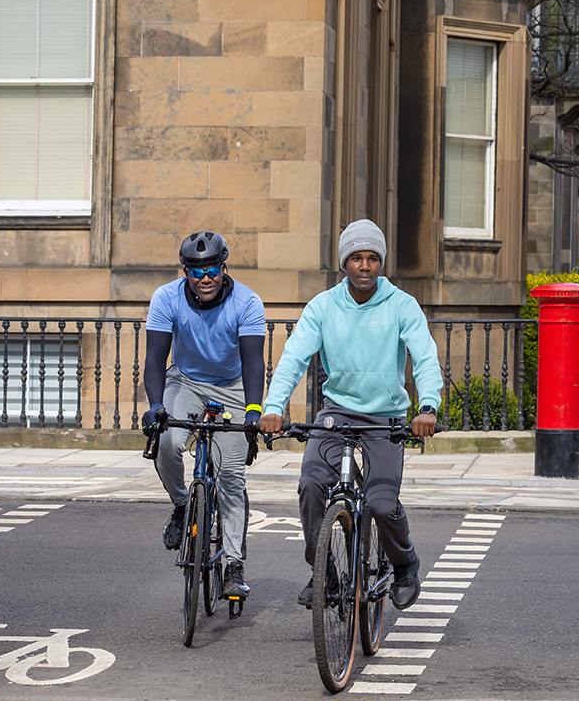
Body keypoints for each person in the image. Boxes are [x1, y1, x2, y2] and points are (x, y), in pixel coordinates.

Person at [258, 220, 442, 612]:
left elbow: (424, 357)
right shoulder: (323, 306)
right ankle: (323, 570)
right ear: (345, 262)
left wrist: (427, 407)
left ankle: (405, 563)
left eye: (372, 258)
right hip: (336, 412)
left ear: (381, 262)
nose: (364, 266)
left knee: (379, 504)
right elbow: (293, 359)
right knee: (310, 484)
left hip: (386, 415)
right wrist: (273, 408)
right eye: (356, 258)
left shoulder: (401, 305)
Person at [141, 231, 266, 599]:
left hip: (233, 386)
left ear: (223, 268)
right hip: (186, 380)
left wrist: (254, 411)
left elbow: (254, 361)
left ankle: (234, 565)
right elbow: (153, 359)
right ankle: (182, 505)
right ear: (185, 273)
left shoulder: (247, 302)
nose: (205, 277)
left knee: (230, 475)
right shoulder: (166, 298)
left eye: (212, 268)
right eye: (196, 271)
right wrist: (155, 406)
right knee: (166, 440)